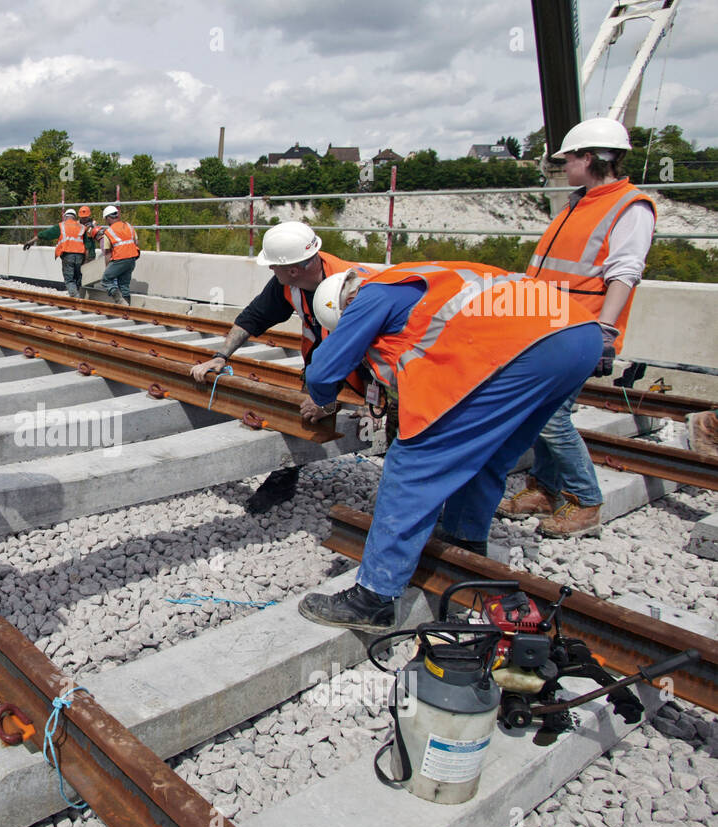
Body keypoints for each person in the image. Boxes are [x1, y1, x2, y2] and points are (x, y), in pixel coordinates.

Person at [295, 262, 602, 633]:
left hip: (531, 348)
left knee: (414, 462)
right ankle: (465, 541)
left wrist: (324, 398)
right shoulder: (416, 280)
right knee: (490, 452)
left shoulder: (370, 295)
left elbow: (322, 372)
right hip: (579, 335)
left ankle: (373, 598)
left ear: (345, 305)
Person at [496, 118, 657, 538]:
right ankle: (545, 489)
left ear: (589, 158)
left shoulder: (629, 206)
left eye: (568, 159)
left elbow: (625, 271)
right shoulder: (580, 202)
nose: (564, 166)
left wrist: (605, 331)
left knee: (552, 417)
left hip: (580, 331)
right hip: (547, 325)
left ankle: (586, 501)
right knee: (541, 410)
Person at [189, 221, 374, 513]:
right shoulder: (289, 284)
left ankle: (403, 490)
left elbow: (365, 347)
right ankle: (283, 481)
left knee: (395, 426)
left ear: (293, 269)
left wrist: (338, 401)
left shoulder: (349, 287)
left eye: (273, 266)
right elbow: (255, 316)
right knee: (305, 412)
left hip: (375, 363)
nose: (270, 271)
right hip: (324, 361)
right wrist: (221, 355)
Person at [23, 208, 88, 298]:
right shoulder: (82, 227)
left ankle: (76, 299)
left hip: (67, 255)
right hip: (80, 256)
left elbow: (45, 234)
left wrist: (31, 241)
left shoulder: (61, 226)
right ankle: (78, 296)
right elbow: (87, 244)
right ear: (74, 217)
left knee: (69, 280)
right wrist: (86, 260)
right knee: (77, 278)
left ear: (65, 217)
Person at [95, 205, 140, 305]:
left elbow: (107, 253)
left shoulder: (109, 232)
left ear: (108, 218)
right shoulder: (129, 226)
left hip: (119, 259)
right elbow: (136, 242)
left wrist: (108, 268)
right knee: (124, 285)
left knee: (106, 280)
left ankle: (120, 301)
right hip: (132, 259)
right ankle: (127, 308)